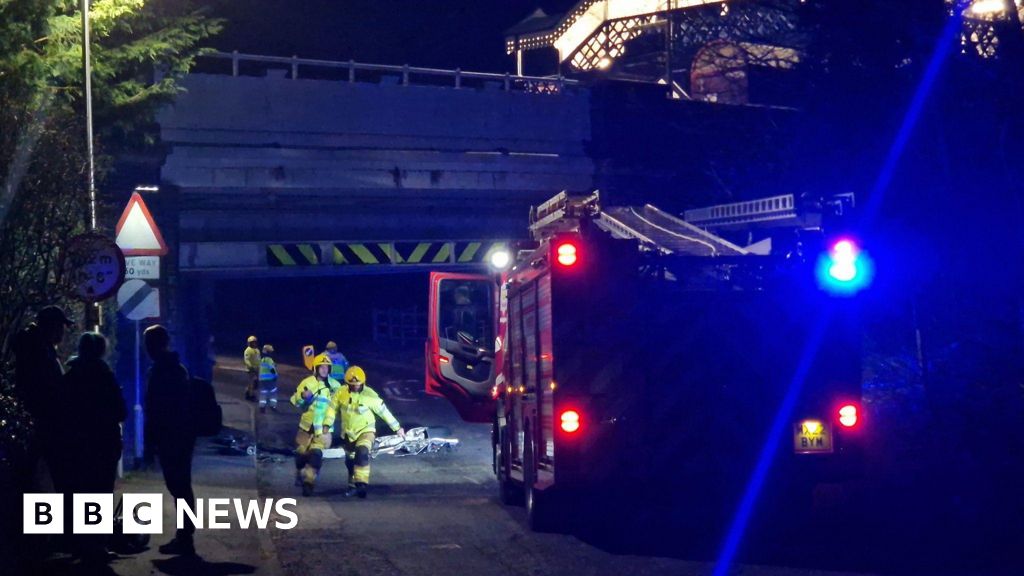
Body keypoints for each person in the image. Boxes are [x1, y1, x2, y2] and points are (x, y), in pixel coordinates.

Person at [62, 332, 126, 564]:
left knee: (78, 493)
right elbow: (120, 411)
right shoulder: (103, 376)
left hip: (76, 445)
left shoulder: (70, 375)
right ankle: (96, 546)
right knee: (98, 494)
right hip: (102, 444)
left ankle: (79, 544)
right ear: (101, 351)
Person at [143, 325, 197, 556]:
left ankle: (185, 537)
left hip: (171, 435)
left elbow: (157, 408)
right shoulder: (177, 368)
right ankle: (185, 535)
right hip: (182, 435)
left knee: (179, 486)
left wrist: (152, 437)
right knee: (181, 486)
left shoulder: (161, 371)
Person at [11, 305, 73, 493]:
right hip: (44, 422)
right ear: (52, 327)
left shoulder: (38, 348)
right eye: (61, 327)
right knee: (52, 473)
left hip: (41, 421)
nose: (63, 333)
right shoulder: (40, 352)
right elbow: (47, 388)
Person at [325, 366, 404, 498]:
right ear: (347, 384)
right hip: (348, 434)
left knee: (362, 452)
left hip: (366, 430)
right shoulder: (341, 393)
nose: (355, 387)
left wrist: (397, 428)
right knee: (350, 461)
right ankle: (352, 485)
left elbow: (384, 412)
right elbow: (331, 409)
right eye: (352, 385)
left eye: (358, 384)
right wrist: (327, 424)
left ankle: (361, 485)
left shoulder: (370, 395)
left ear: (363, 383)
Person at [289, 354, 340, 496]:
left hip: (323, 430)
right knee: (301, 455)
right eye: (321, 367)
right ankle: (299, 472)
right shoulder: (307, 382)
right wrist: (303, 397)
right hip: (306, 428)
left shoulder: (335, 386)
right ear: (316, 368)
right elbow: (295, 402)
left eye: (327, 367)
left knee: (316, 456)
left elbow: (340, 405)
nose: (324, 370)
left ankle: (309, 483)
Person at [258, 344, 278, 413]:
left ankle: (262, 407)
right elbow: (272, 369)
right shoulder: (269, 360)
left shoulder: (262, 360)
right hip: (270, 380)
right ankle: (272, 405)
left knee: (263, 393)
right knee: (273, 393)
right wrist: (275, 376)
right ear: (269, 352)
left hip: (262, 380)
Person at [243, 335, 260, 401]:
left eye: (254, 342)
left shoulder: (257, 350)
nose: (254, 343)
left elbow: (258, 359)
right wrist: (251, 366)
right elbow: (246, 359)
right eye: (252, 342)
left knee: (255, 383)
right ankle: (251, 395)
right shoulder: (248, 350)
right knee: (252, 383)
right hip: (251, 369)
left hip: (256, 369)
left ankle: (248, 393)